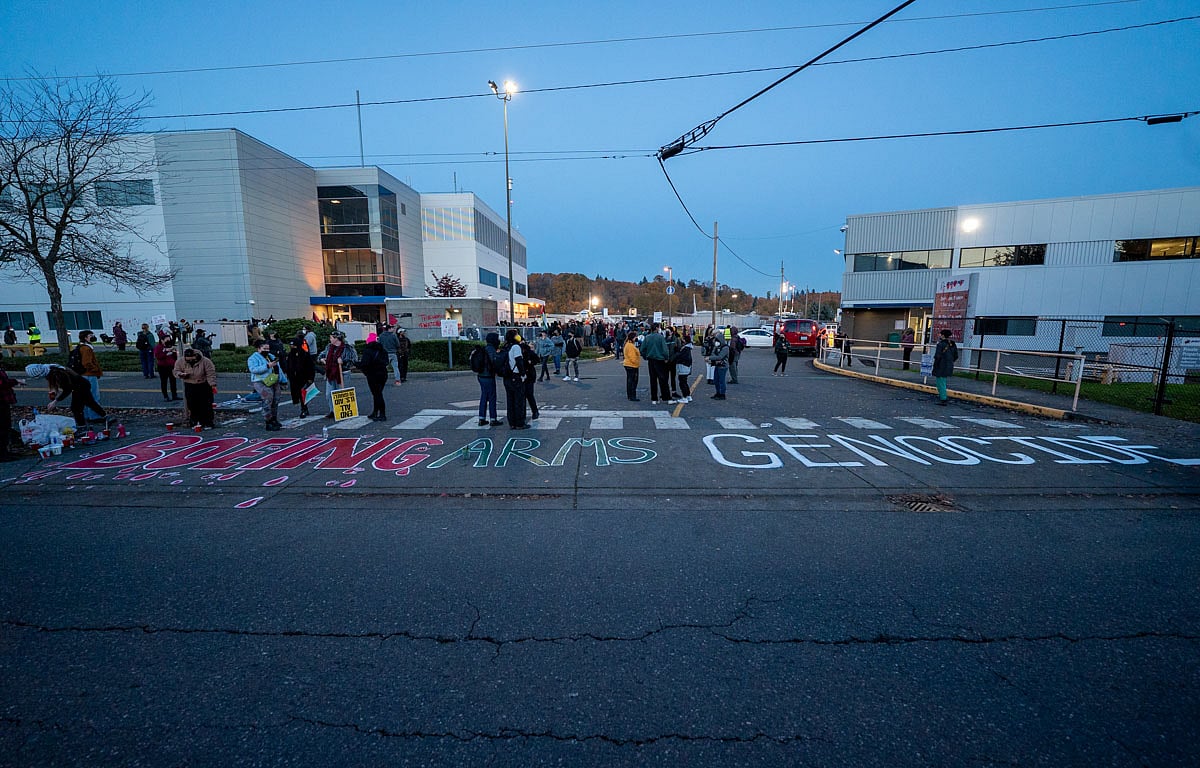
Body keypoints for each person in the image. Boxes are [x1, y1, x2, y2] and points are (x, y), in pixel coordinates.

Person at [27, 363, 106, 429]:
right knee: (90, 403)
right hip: (81, 384)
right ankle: (105, 416)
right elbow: (56, 383)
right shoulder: (50, 368)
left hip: (79, 386)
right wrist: (54, 390)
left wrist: (55, 401)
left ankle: (82, 426)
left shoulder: (58, 374)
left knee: (76, 408)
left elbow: (67, 390)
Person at [173, 347, 217, 429]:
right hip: (189, 384)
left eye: (192, 359)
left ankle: (208, 422)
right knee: (192, 404)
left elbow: (210, 373)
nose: (190, 361)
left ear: (196, 356)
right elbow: (176, 371)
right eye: (188, 360)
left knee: (206, 404)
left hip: (203, 384)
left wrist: (212, 384)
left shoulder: (205, 361)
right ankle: (195, 421)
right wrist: (180, 374)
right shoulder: (181, 361)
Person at [248, 339, 284, 430]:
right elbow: (253, 369)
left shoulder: (271, 356)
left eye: (268, 348)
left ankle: (274, 419)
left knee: (276, 399)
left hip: (273, 379)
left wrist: (283, 380)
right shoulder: (253, 358)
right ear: (259, 348)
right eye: (264, 349)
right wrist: (267, 366)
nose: (267, 350)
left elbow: (279, 369)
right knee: (268, 399)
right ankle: (268, 421)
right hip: (261, 381)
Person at [318, 332, 356, 419]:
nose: (330, 339)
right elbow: (322, 355)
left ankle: (343, 411)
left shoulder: (347, 348)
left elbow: (353, 359)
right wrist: (322, 359)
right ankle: (332, 411)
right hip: (331, 373)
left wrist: (344, 362)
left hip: (343, 373)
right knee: (329, 394)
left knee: (342, 393)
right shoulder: (329, 347)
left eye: (331, 338)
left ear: (336, 338)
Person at [356, 335, 390, 421]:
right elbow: (386, 362)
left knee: (377, 394)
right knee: (378, 393)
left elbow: (364, 363)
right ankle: (376, 412)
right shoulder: (382, 350)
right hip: (383, 373)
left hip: (372, 374)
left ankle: (381, 414)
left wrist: (356, 364)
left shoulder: (368, 351)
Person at [500, 329, 529, 429]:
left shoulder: (506, 346)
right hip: (515, 376)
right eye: (517, 334)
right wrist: (523, 374)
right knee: (519, 400)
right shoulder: (516, 347)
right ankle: (520, 422)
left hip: (507, 376)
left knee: (510, 400)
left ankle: (512, 422)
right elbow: (519, 361)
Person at [75, 330, 104, 421]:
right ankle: (95, 416)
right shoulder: (86, 349)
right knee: (94, 396)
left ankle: (87, 415)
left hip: (83, 375)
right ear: (86, 338)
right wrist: (95, 369)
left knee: (86, 396)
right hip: (89, 375)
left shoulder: (80, 347)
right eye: (90, 335)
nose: (93, 337)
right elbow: (87, 363)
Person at [283, 337, 316, 418]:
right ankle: (303, 407)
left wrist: (310, 378)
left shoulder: (304, 354)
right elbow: (288, 365)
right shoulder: (290, 355)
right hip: (293, 378)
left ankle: (304, 409)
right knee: (296, 393)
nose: (292, 347)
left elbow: (310, 367)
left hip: (303, 377)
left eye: (294, 346)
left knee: (303, 393)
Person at [476, 332, 502, 427]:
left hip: (481, 376)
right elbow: (494, 362)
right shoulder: (491, 350)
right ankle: (493, 419)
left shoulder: (484, 348)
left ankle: (481, 418)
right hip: (488, 376)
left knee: (484, 396)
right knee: (492, 397)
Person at [639, 323, 670, 404]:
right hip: (660, 360)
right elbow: (665, 349)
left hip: (651, 360)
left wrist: (645, 356)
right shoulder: (660, 337)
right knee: (663, 379)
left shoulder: (647, 337)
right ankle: (666, 397)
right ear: (656, 328)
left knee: (653, 379)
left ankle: (654, 398)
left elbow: (642, 349)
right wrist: (666, 358)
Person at [0, 366, 25, 461]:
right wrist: (16, 381)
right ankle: (2, 454)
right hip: (1, 401)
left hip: (4, 401)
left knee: (5, 427)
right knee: (2, 428)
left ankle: (5, 451)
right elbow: (2, 383)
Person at [932, 329, 959, 406]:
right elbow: (956, 356)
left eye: (941, 334)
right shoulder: (952, 344)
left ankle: (943, 398)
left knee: (940, 383)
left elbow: (937, 356)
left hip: (941, 365)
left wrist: (936, 364)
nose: (940, 335)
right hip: (949, 364)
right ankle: (943, 397)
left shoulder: (940, 344)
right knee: (943, 381)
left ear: (943, 335)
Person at [153, 336, 180, 401]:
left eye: (169, 340)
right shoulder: (158, 347)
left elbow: (175, 356)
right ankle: (165, 396)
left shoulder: (170, 346)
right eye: (166, 340)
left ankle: (174, 395)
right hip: (163, 366)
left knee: (173, 381)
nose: (168, 341)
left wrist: (174, 352)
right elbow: (158, 356)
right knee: (164, 381)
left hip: (171, 365)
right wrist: (165, 352)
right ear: (162, 340)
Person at [521, 336, 541, 421]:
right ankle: (523, 413)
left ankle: (535, 411)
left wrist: (531, 362)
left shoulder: (529, 351)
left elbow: (537, 359)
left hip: (529, 375)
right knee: (522, 396)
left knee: (529, 394)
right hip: (520, 376)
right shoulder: (516, 351)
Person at [670, 337, 694, 404]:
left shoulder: (685, 349)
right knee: (684, 382)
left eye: (683, 339)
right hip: (686, 367)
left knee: (682, 383)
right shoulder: (687, 348)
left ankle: (685, 397)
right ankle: (688, 396)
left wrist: (676, 356)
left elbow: (680, 356)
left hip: (683, 367)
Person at [707, 335, 729, 400]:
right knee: (716, 380)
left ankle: (722, 394)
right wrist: (715, 358)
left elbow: (720, 356)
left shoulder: (725, 348)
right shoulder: (717, 347)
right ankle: (718, 393)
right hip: (717, 365)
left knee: (721, 381)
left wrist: (710, 358)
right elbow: (713, 353)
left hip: (723, 366)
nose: (716, 342)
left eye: (717, 340)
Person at [622, 331, 641, 401]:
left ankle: (630, 395)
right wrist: (636, 363)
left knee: (630, 380)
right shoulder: (630, 346)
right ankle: (632, 396)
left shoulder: (628, 344)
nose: (636, 338)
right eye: (635, 337)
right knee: (633, 381)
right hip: (632, 365)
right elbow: (632, 357)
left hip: (629, 364)